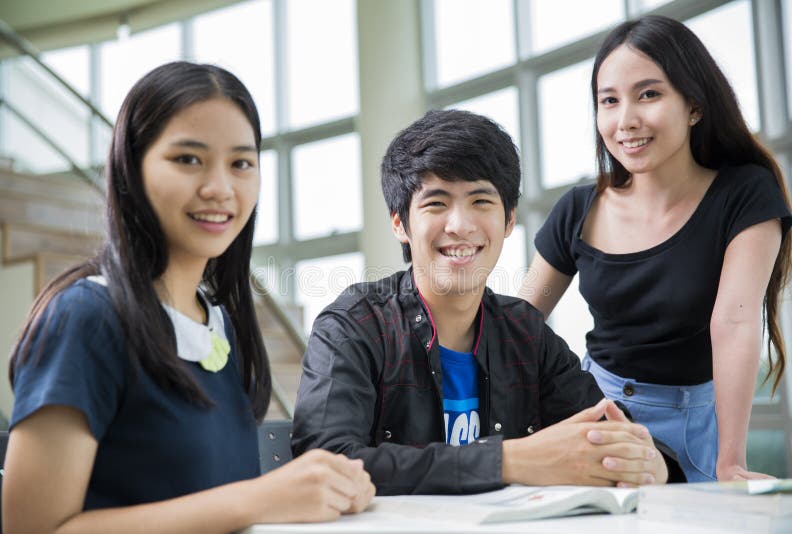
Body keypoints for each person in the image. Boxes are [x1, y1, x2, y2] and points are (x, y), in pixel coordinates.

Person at [3, 61, 374, 533]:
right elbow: (32, 529)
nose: (219, 188)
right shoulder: (86, 317)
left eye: (241, 163)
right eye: (188, 159)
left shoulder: (217, 324)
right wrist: (257, 500)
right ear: (131, 169)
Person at [292, 109, 684, 496]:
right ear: (400, 223)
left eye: (481, 201)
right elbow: (324, 462)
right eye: (436, 203)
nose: (460, 225)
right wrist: (510, 460)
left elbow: (621, 435)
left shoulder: (525, 333)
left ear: (509, 219)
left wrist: (649, 464)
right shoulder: (354, 326)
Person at [519, 15, 792, 483]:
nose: (625, 120)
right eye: (609, 101)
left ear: (694, 106)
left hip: (689, 423)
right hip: (592, 409)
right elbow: (518, 325)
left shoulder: (745, 193)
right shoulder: (578, 209)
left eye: (649, 94)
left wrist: (731, 461)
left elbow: (732, 322)